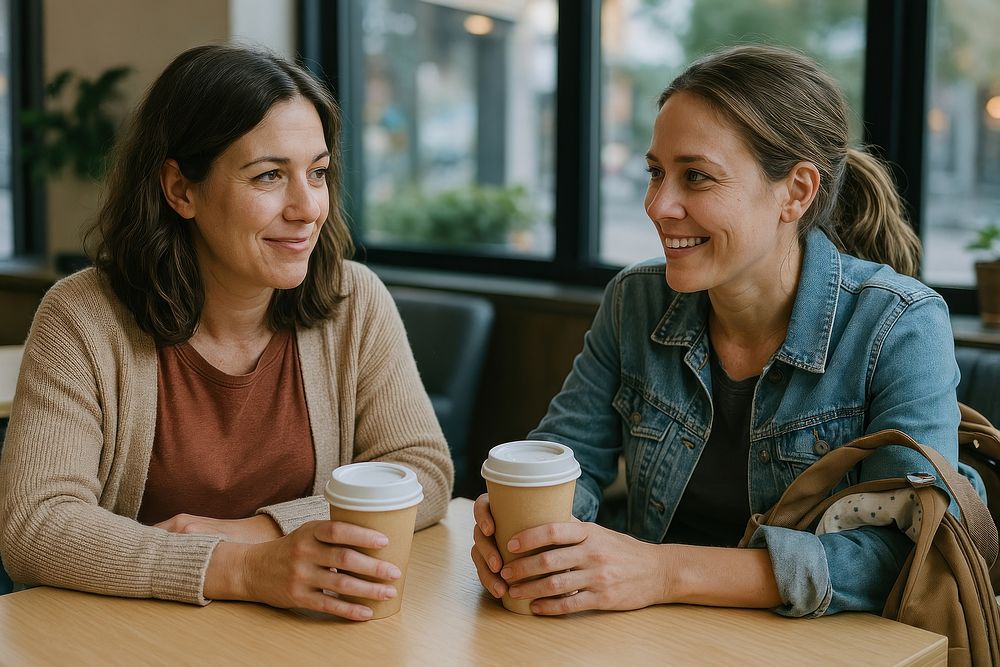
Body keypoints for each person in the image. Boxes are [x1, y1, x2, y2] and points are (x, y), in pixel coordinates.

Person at [471, 44, 979, 618]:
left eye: (697, 177)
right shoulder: (634, 300)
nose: (658, 205)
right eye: (656, 173)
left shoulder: (900, 325)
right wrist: (526, 523)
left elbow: (911, 553)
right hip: (646, 635)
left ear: (797, 190)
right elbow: (572, 460)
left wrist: (664, 571)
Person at [0, 44, 453, 621]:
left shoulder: (353, 298)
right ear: (180, 190)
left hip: (297, 638)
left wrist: (261, 529)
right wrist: (242, 567)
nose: (308, 207)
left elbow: (423, 470)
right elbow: (36, 524)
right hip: (125, 640)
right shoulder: (82, 317)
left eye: (317, 172)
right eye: (268, 176)